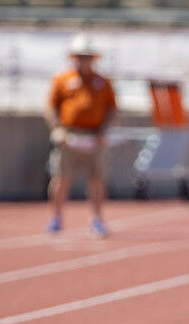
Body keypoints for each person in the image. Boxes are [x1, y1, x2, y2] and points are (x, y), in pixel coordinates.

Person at [45, 33, 117, 237]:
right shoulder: (62, 79)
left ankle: (97, 219)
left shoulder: (103, 82)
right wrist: (57, 129)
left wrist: (103, 131)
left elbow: (112, 109)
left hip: (94, 137)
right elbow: (51, 107)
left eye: (87, 56)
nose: (84, 60)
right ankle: (56, 218)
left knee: (97, 180)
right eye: (80, 56)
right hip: (69, 136)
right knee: (61, 178)